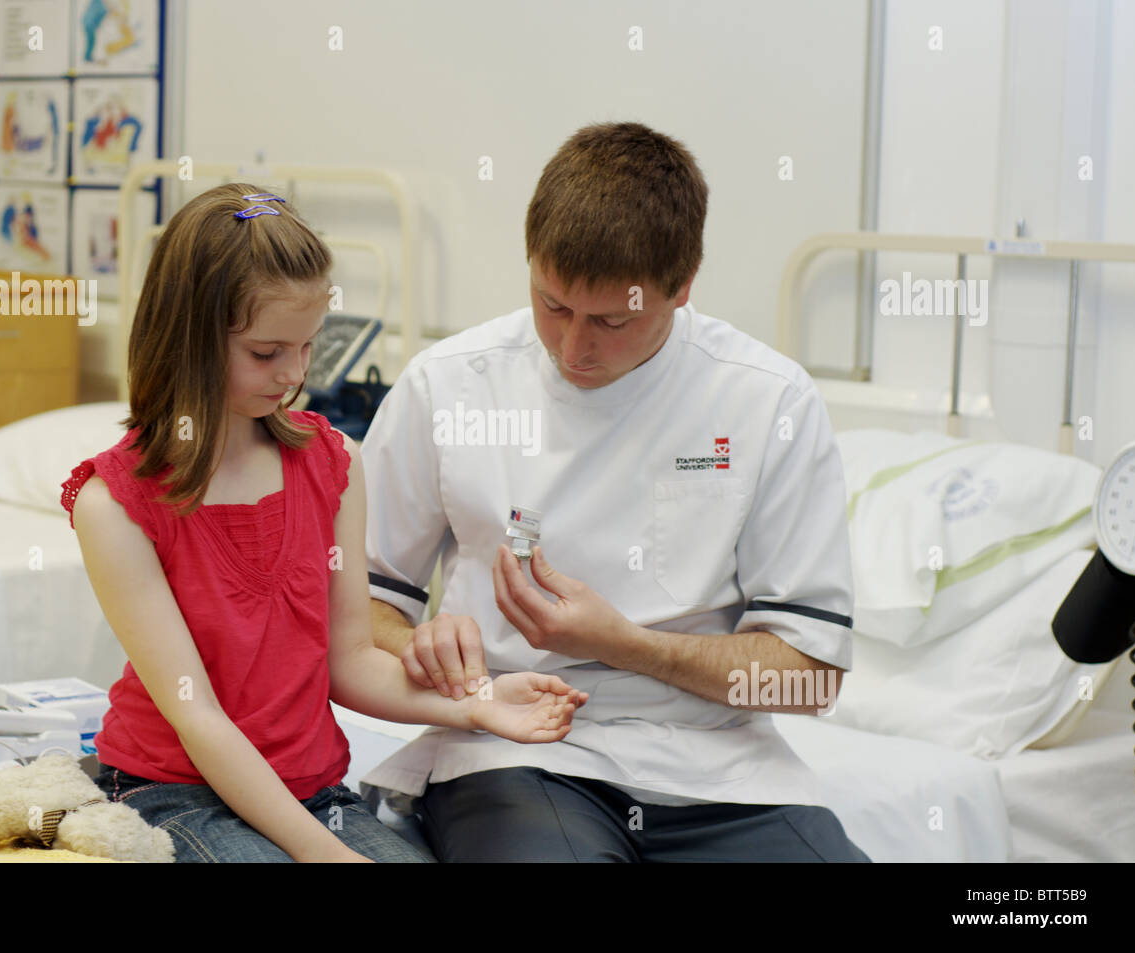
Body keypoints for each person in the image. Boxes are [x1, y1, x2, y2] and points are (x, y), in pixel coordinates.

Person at [360, 122, 872, 862]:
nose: (574, 349)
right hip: (516, 752)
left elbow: (809, 683)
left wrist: (627, 646)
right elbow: (356, 610)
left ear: (683, 286)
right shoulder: (450, 386)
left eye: (611, 320)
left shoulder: (769, 402)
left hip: (718, 769)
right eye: (552, 305)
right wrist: (424, 645)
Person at [60, 183, 587, 863]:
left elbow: (351, 661)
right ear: (188, 335)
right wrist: (327, 855)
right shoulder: (115, 504)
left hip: (312, 789)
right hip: (174, 788)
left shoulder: (332, 463)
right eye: (266, 351)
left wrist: (477, 703)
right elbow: (198, 718)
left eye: (309, 347)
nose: (293, 374)